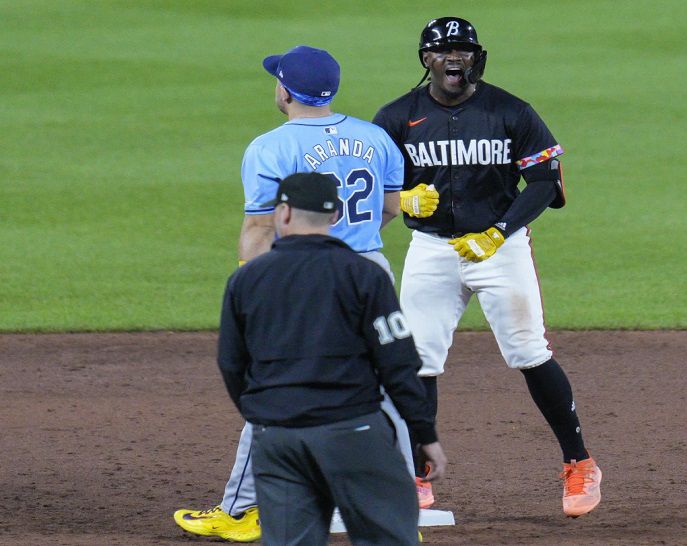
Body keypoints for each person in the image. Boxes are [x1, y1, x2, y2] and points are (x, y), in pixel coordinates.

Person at [174, 45, 414, 542]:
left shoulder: (269, 146)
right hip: (367, 269)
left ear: (284, 90)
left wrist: (256, 283)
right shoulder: (376, 137)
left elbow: (260, 226)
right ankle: (402, 502)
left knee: (280, 385)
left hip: (299, 280)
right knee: (384, 384)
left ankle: (239, 510)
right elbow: (390, 208)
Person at [373, 17, 603, 518]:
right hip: (432, 251)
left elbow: (545, 182)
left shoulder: (511, 111)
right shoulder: (395, 117)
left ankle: (579, 463)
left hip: (503, 248)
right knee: (418, 362)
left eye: (464, 48)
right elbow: (369, 186)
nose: (456, 57)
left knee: (529, 351)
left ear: (477, 56)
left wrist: (498, 231)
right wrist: (402, 200)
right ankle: (416, 476)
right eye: (444, 50)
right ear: (426, 59)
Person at [217, 171, 447, 545]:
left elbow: (231, 363)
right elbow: (398, 362)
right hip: (351, 431)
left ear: (284, 213)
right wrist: (425, 434)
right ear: (336, 217)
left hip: (276, 437)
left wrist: (265, 417)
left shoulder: (246, 279)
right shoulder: (364, 274)